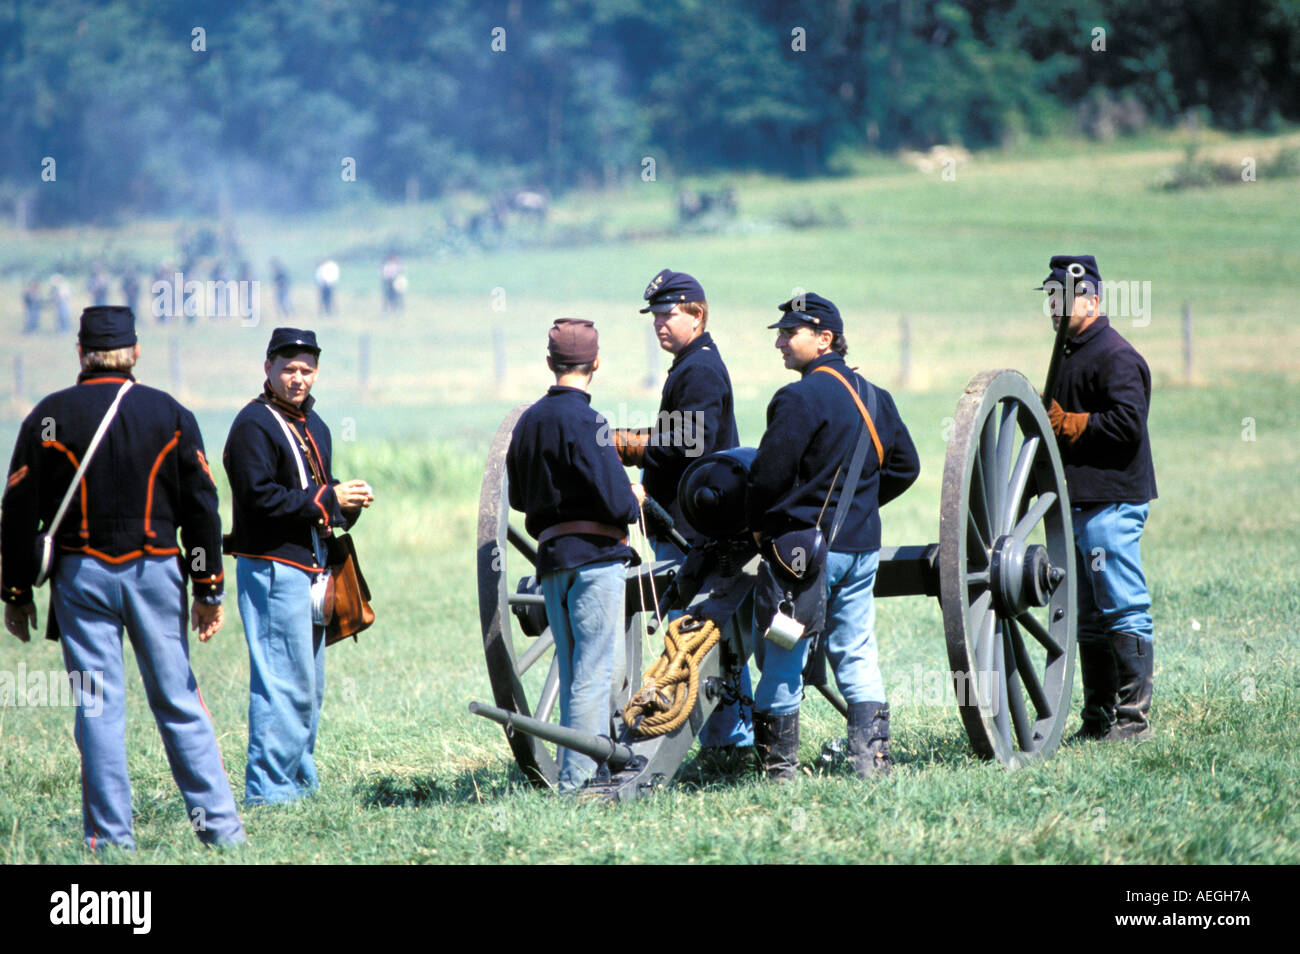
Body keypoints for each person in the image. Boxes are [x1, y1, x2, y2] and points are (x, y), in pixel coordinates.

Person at [1, 305, 245, 850]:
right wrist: (207, 589)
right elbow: (202, 510)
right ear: (135, 353)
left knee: (97, 710)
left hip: (80, 575)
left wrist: (16, 594)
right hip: (157, 572)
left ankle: (111, 844)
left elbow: (17, 512)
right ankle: (223, 836)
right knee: (179, 702)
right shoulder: (170, 413)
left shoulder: (48, 416)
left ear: (81, 354)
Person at [745, 293, 920, 780]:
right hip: (860, 548)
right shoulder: (875, 397)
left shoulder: (798, 398)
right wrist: (860, 507)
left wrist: (761, 526)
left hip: (800, 555)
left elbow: (766, 477)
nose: (779, 342)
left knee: (783, 652)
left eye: (789, 333)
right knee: (856, 647)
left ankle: (777, 770)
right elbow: (906, 466)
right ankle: (872, 763)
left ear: (824, 339)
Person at [223, 328, 374, 805]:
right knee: (280, 684)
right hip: (271, 568)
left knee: (308, 687)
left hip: (311, 568)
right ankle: (269, 794)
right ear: (267, 368)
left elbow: (315, 500)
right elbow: (258, 498)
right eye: (288, 369)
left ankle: (299, 786)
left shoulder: (316, 426)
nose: (297, 378)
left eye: (306, 369)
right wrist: (327, 498)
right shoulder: (254, 424)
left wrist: (346, 504)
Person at [612, 268, 753, 760]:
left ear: (697, 314)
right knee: (704, 634)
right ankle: (730, 742)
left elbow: (691, 437)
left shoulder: (699, 369)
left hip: (694, 529)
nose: (659, 324)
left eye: (668, 314)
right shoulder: (692, 363)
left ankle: (730, 746)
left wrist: (638, 445)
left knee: (694, 636)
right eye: (654, 316)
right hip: (689, 522)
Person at [506, 319, 644, 793]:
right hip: (595, 559)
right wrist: (635, 497)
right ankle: (580, 781)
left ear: (550, 363)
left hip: (552, 560)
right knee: (591, 671)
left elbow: (521, 497)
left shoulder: (529, 421)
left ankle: (583, 769)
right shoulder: (589, 422)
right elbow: (617, 502)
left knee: (572, 670)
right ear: (596, 363)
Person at [1039, 254, 1157, 742]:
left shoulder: (1114, 354)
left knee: (1122, 605)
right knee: (1088, 613)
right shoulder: (1068, 352)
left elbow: (1129, 425)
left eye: (1061, 298)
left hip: (1112, 499)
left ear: (1092, 299)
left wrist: (1071, 424)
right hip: (1081, 501)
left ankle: (1133, 721)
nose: (1053, 307)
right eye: (1049, 298)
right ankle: (1098, 719)